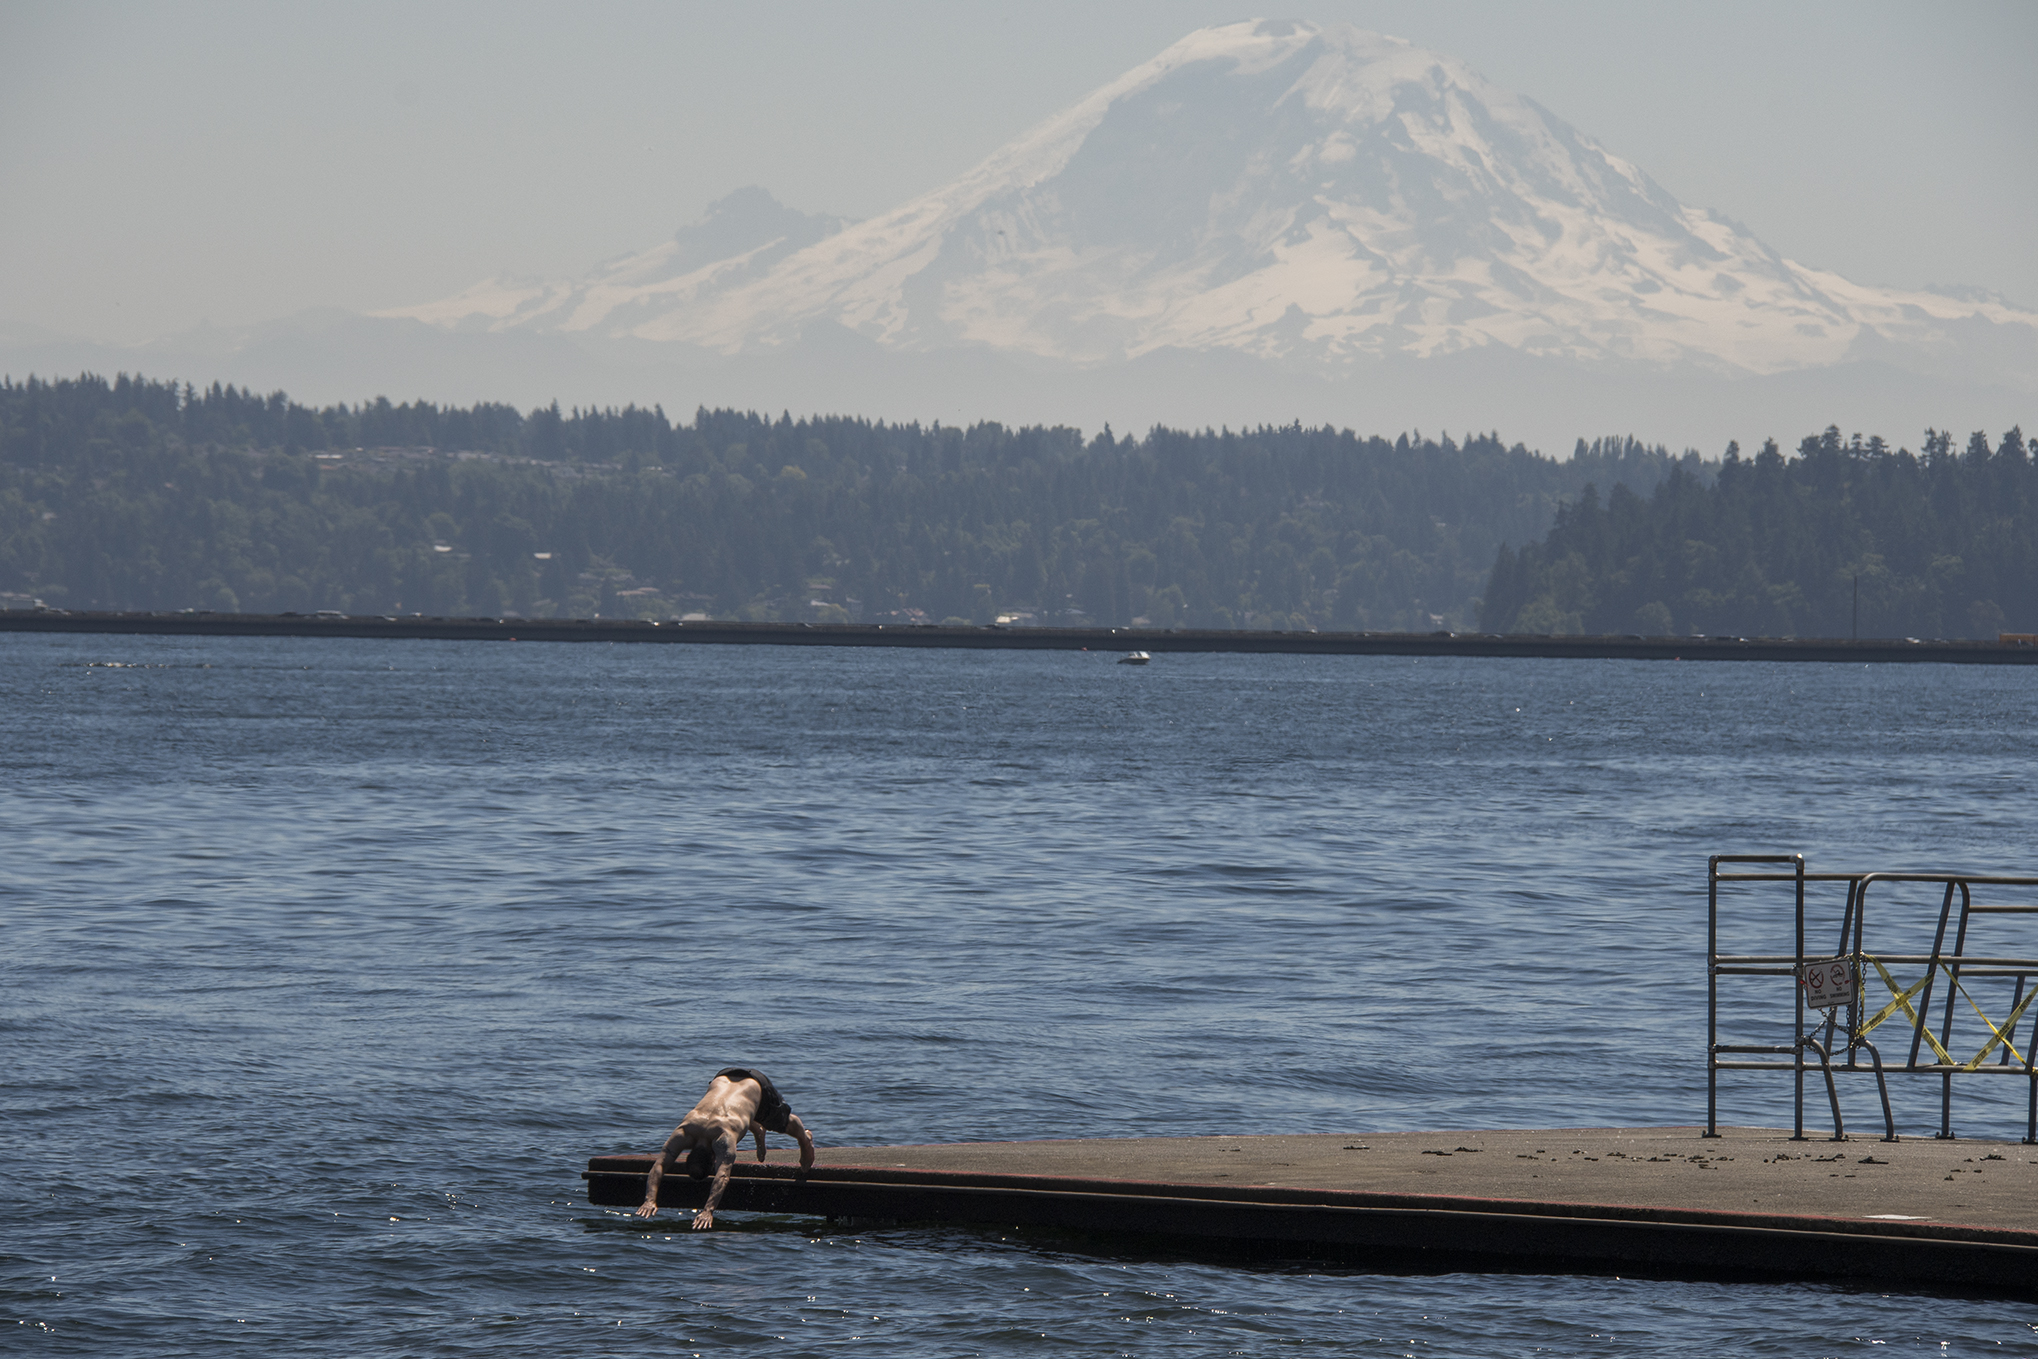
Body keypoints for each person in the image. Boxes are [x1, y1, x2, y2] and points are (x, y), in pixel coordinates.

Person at [634, 1067, 816, 1229]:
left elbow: (723, 1175)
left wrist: (708, 1211)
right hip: (722, 1076)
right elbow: (659, 1165)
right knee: (738, 1111)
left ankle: (805, 1140)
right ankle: (755, 1127)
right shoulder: (685, 1130)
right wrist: (649, 1199)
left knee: (785, 1123)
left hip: (757, 1084)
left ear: (713, 1159)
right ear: (688, 1153)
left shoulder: (724, 1138)